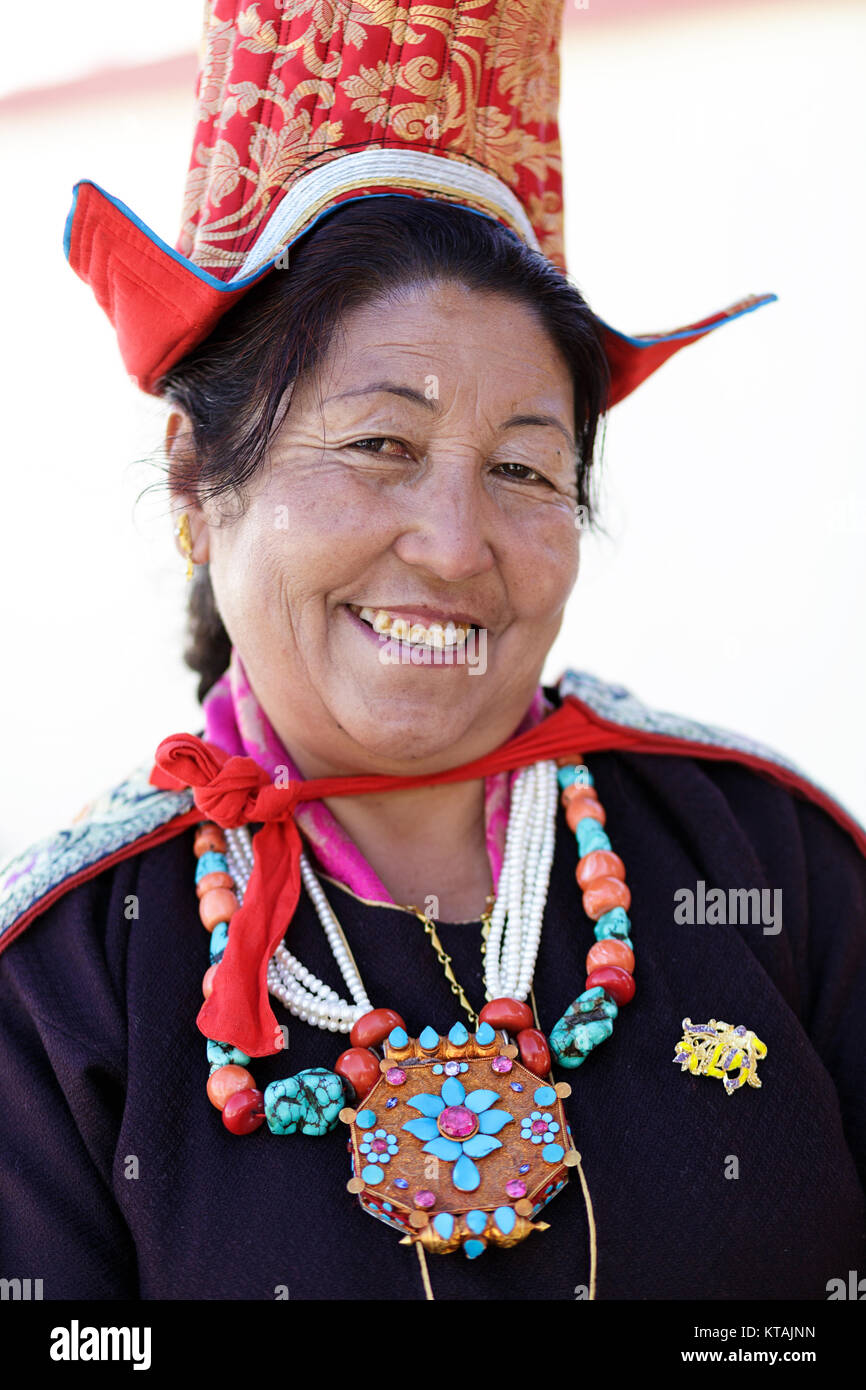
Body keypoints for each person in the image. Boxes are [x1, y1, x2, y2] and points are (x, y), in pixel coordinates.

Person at [0, 0, 863, 1302]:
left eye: (522, 466)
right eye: (378, 446)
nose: (456, 544)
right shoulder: (63, 983)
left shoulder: (768, 858)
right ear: (196, 478)